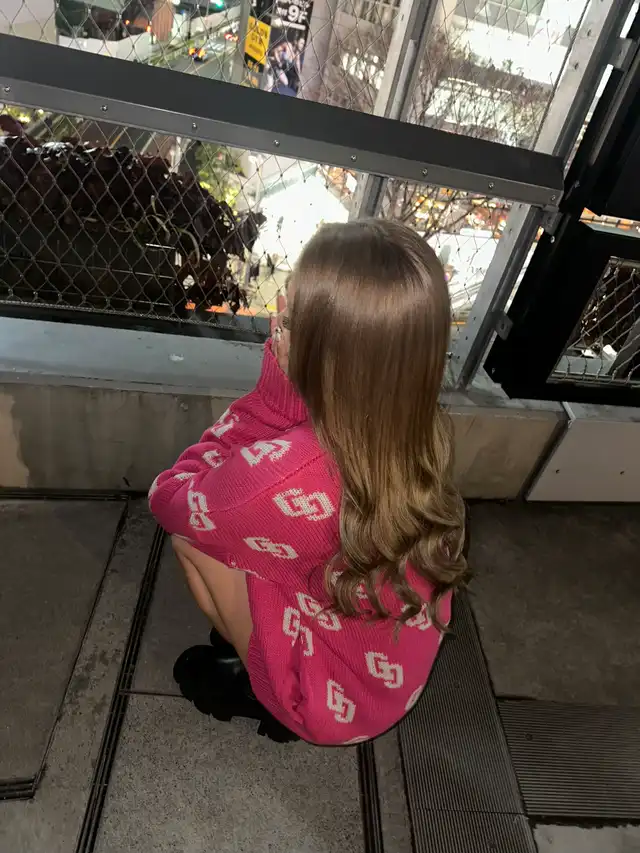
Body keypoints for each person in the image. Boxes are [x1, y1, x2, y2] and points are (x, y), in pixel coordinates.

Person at [148, 220, 469, 745]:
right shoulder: (418, 432)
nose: (276, 317)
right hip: (384, 678)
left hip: (328, 705)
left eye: (289, 315)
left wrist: (275, 399)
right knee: (268, 532)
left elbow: (171, 496)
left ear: (320, 353)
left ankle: (262, 688)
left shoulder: (285, 474)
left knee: (195, 539)